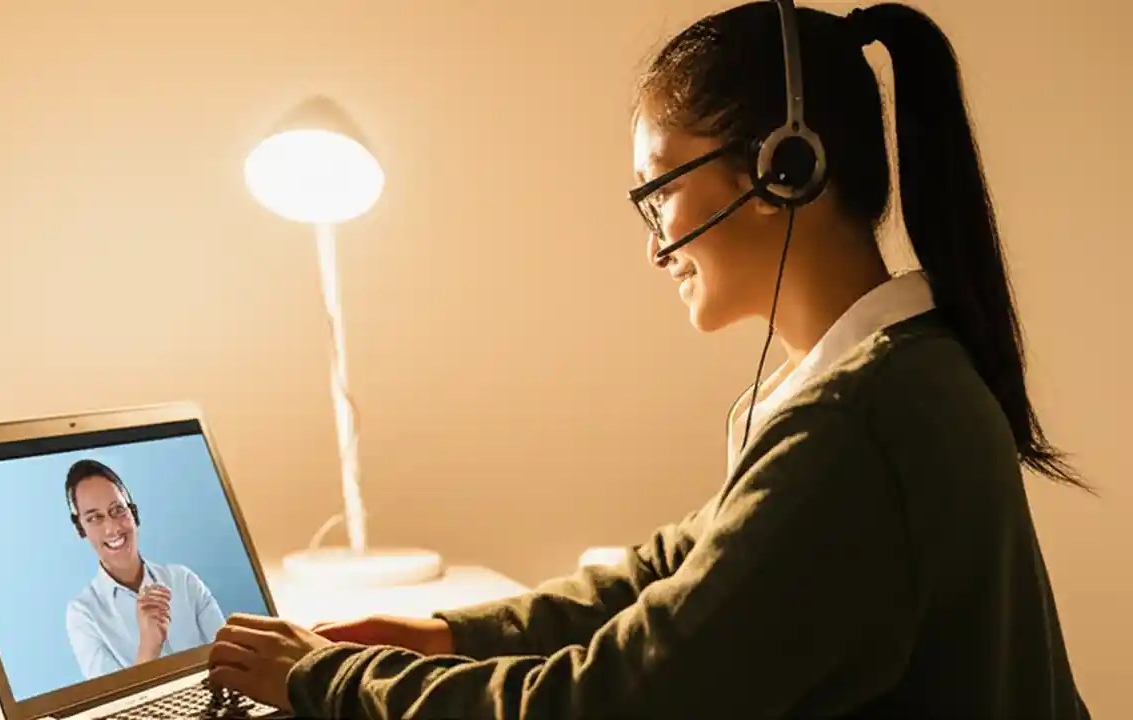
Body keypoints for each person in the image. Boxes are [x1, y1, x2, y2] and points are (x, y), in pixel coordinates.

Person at [206, 2, 1090, 717]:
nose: (655, 243)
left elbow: (615, 697)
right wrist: (441, 637)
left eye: (659, 189)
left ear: (783, 168)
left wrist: (321, 680)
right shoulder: (893, 375)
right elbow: (672, 568)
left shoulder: (857, 427)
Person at [63, 459, 226, 679]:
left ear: (133, 514)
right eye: (95, 518)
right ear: (81, 530)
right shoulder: (82, 615)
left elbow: (230, 659)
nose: (112, 528)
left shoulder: (183, 581)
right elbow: (115, 707)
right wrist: (149, 647)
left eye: (118, 510)